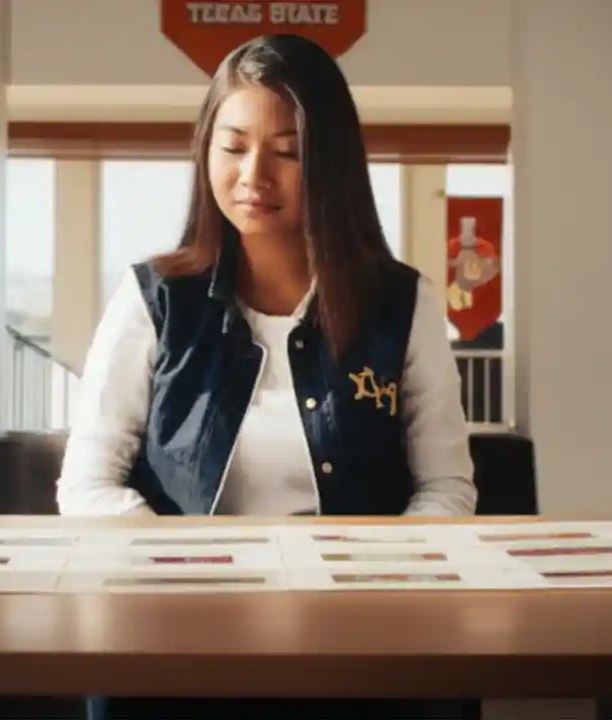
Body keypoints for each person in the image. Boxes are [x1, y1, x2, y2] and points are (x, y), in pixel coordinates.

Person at [56, 33, 478, 720]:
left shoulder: (402, 303)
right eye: (233, 146)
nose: (255, 175)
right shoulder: (154, 299)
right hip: (175, 637)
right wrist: (180, 567)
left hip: (359, 635)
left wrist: (377, 577)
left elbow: (446, 488)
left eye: (289, 151)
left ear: (332, 164)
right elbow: (87, 482)